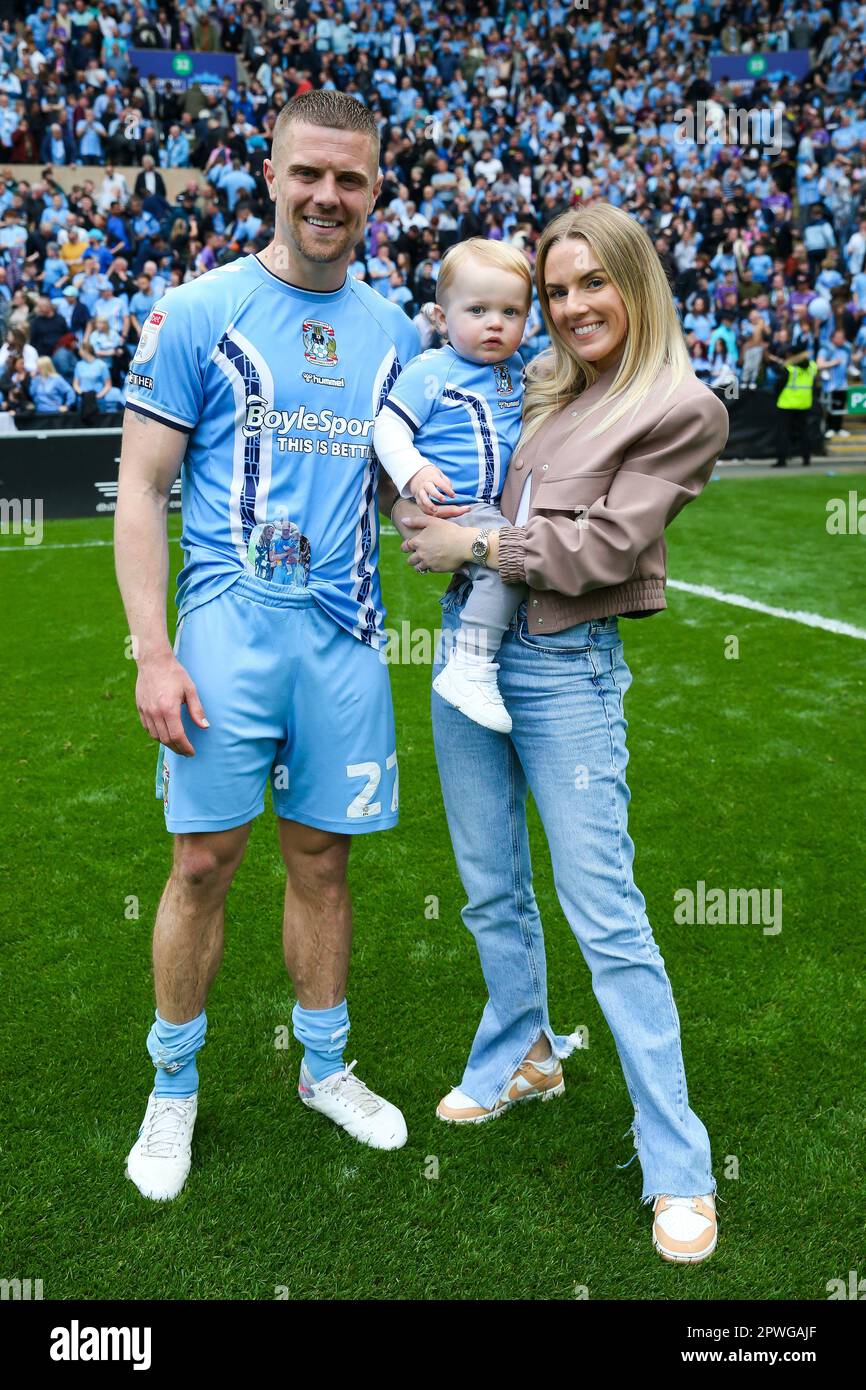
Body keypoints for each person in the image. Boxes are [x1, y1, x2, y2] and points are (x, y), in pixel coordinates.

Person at [395, 203, 729, 1264]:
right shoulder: (536, 386)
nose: (572, 305)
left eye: (593, 283)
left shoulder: (680, 407)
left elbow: (604, 547)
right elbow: (427, 471)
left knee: (605, 915)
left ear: (635, 283)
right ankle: (523, 1053)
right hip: (463, 653)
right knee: (489, 882)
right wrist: (425, 515)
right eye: (556, 290)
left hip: (566, 670)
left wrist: (472, 539)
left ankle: (677, 1164)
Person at [114, 91, 428, 1204]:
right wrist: (153, 651)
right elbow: (142, 491)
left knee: (324, 860)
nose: (326, 196)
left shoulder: (399, 335)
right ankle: (174, 1084)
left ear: (375, 190)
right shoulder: (199, 308)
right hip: (224, 640)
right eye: (309, 173)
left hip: (342, 646)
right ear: (272, 172)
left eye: (349, 179)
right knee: (201, 862)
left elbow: (410, 501)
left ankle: (325, 1067)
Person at [374, 238, 531, 732]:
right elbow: (388, 427)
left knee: (499, 561)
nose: (495, 323)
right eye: (478, 310)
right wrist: (414, 472)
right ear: (442, 319)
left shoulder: (515, 370)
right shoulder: (433, 369)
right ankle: (471, 665)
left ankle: (471, 659)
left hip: (488, 503)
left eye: (511, 311)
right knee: (507, 564)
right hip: (455, 503)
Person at [767, 341, 818, 467]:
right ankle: (806, 459)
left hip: (787, 404)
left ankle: (782, 460)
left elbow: (779, 386)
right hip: (804, 403)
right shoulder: (812, 366)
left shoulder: (789, 368)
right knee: (804, 432)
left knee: (783, 433)